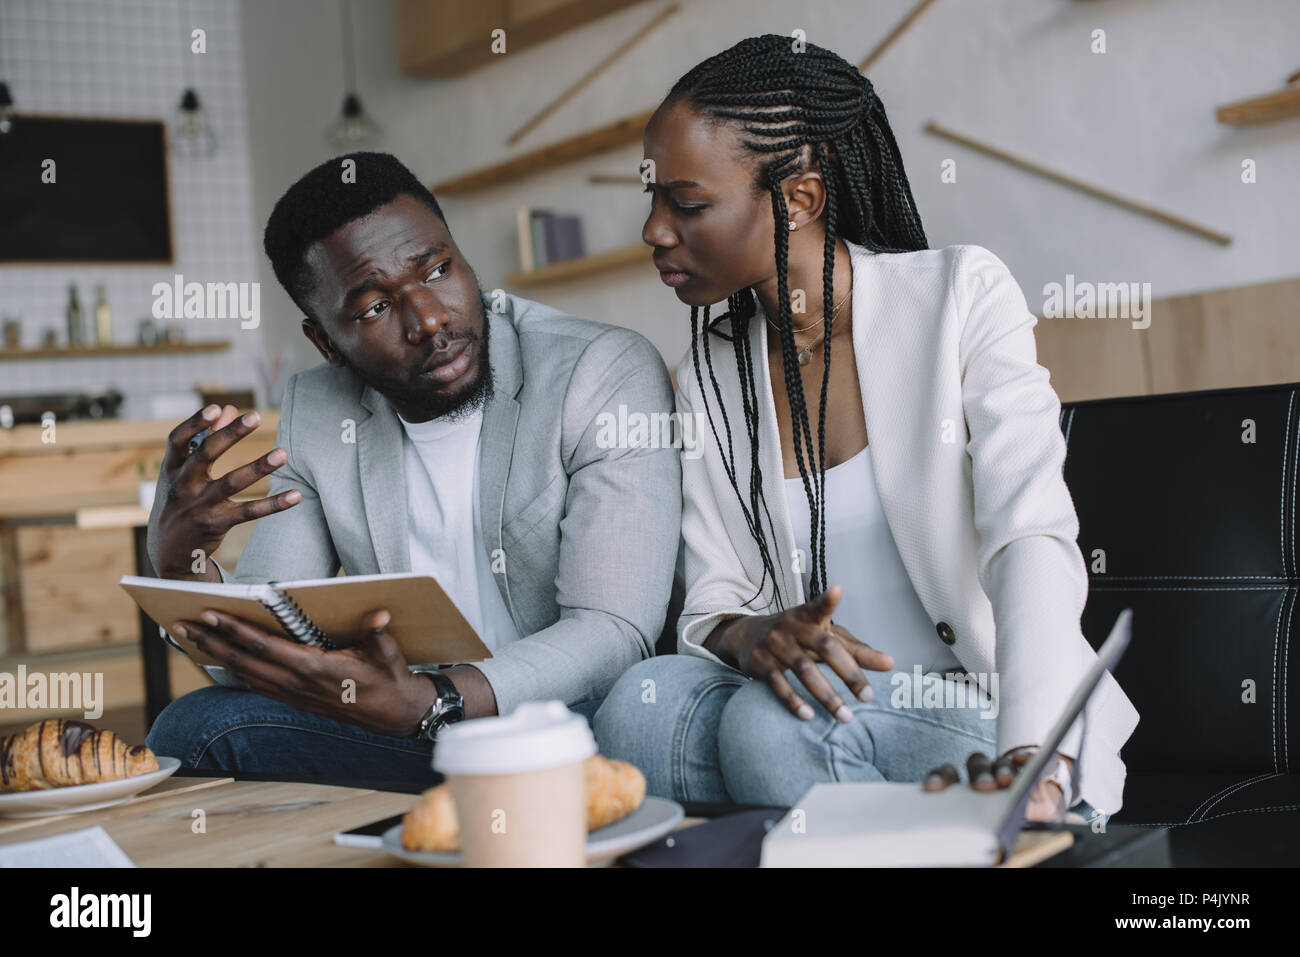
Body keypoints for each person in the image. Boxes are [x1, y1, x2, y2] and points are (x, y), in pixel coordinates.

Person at [593, 36, 1139, 822]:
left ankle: (1013, 805)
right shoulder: (712, 371)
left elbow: (1032, 535)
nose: (653, 230)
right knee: (640, 705)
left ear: (800, 199)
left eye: (687, 202)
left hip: (982, 710)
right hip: (814, 708)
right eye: (652, 199)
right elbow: (715, 595)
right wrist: (757, 637)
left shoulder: (958, 297)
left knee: (769, 729)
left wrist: (1036, 752)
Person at [144, 152, 680, 786]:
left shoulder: (599, 370)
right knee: (195, 727)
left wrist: (437, 702)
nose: (429, 320)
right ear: (325, 342)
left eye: (438, 270)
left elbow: (614, 630)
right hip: (414, 725)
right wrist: (184, 570)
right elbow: (266, 658)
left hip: (572, 722)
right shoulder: (320, 410)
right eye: (373, 309)